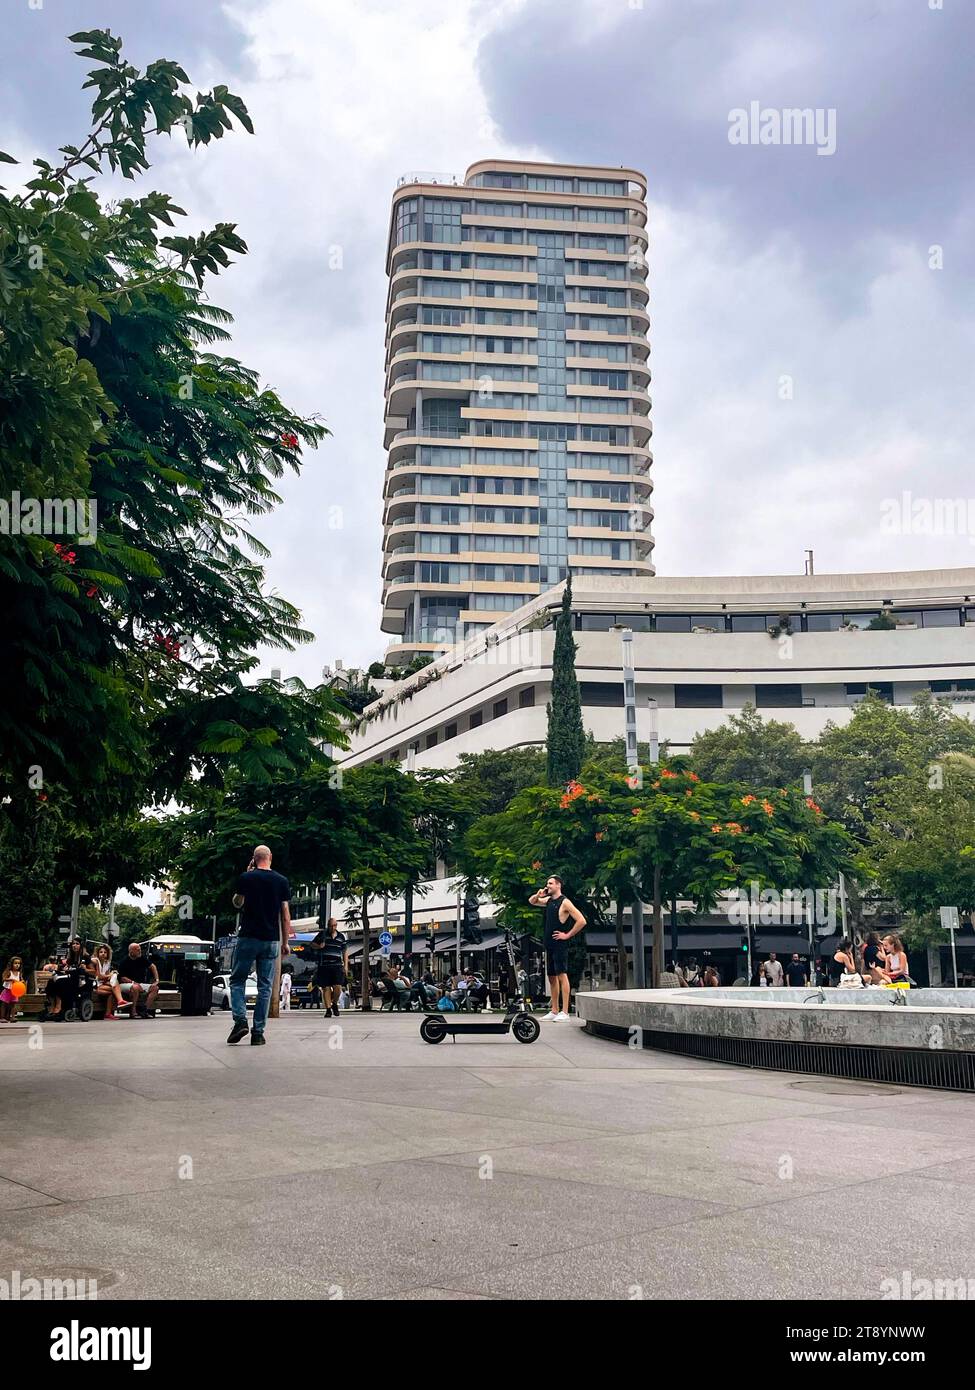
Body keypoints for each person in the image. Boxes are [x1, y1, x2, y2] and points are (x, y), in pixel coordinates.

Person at [228, 844, 291, 1045]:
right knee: (265, 986)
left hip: (248, 937)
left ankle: (240, 1021)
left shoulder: (246, 878)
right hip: (271, 939)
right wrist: (286, 942)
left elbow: (237, 903)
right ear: (270, 857)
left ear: (254, 859)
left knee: (237, 980)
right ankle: (258, 1033)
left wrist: (246, 877)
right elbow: (285, 915)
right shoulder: (281, 881)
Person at [528, 873, 587, 1021]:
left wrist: (567, 935)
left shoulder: (565, 902)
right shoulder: (548, 900)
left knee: (562, 974)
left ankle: (565, 1011)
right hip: (549, 943)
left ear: (558, 885)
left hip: (560, 943)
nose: (548, 886)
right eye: (547, 883)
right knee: (551, 977)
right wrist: (538, 894)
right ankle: (554, 1010)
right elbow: (532, 902)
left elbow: (581, 920)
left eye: (551, 883)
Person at [44, 938, 95, 1020]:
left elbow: (94, 972)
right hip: (70, 978)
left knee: (59, 982)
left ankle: (59, 1007)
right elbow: (66, 969)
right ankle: (52, 1007)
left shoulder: (85, 957)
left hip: (80, 982)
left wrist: (85, 969)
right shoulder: (70, 958)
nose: (74, 946)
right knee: (51, 982)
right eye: (73, 944)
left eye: (77, 944)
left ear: (81, 946)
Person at [312, 917, 348, 1018]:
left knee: (338, 987)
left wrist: (345, 966)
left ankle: (334, 1003)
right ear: (328, 926)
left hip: (337, 965)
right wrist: (319, 946)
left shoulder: (341, 936)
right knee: (326, 988)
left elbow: (345, 952)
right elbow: (312, 944)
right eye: (331, 926)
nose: (333, 927)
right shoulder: (322, 934)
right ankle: (328, 1009)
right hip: (324, 965)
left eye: (335, 925)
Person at [117, 943, 160, 1018]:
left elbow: (153, 966)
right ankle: (133, 1012)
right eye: (137, 950)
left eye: (140, 949)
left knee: (155, 988)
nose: (140, 951)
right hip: (124, 985)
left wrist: (156, 980)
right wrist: (134, 983)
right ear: (131, 951)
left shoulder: (141, 958)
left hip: (139, 984)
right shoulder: (124, 961)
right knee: (135, 987)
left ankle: (144, 1010)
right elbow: (122, 978)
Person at [92, 944, 127, 1019]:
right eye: (101, 952)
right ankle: (120, 1000)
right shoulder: (96, 961)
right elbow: (99, 977)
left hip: (103, 984)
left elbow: (107, 978)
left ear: (108, 954)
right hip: (95, 985)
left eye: (105, 952)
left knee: (114, 985)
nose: (103, 954)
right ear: (98, 953)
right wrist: (110, 975)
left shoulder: (107, 962)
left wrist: (113, 974)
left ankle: (109, 1013)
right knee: (114, 990)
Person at [0, 956, 24, 1022]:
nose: (17, 965)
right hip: (7, 990)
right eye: (15, 963)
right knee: (4, 1004)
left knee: (13, 1005)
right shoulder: (9, 972)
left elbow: (22, 980)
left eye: (18, 964)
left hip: (15, 991)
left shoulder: (19, 973)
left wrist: (21, 982)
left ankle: (12, 1017)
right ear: (11, 964)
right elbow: (4, 978)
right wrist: (11, 979)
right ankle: (2, 1017)